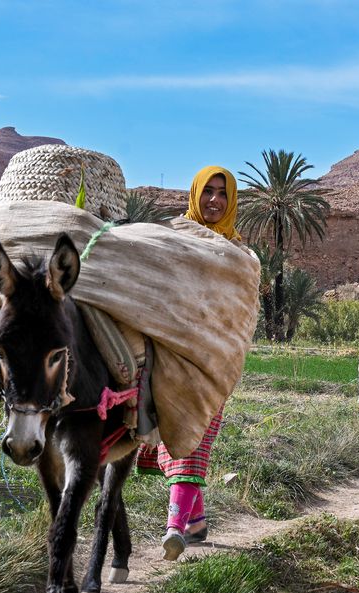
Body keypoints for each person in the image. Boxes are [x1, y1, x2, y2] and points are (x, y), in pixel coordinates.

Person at [136, 165, 240, 560]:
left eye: (222, 193)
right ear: (195, 194)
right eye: (207, 191)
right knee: (171, 432)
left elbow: (239, 311)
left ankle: (174, 527)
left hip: (213, 363)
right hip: (167, 357)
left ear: (232, 201)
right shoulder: (173, 237)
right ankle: (195, 522)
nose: (214, 200)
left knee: (194, 437)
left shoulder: (238, 254)